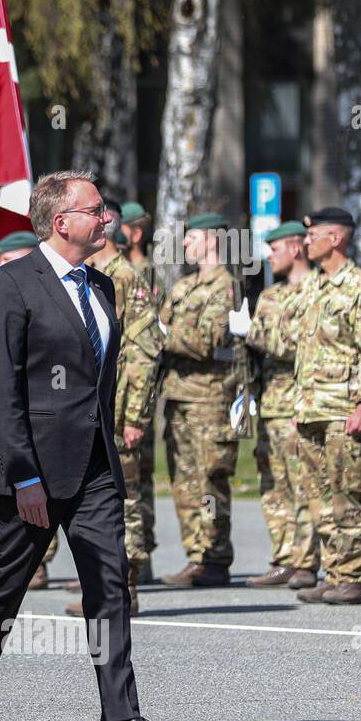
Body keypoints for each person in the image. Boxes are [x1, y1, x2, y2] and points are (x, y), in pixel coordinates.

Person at [0, 170, 180, 721]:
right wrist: (24, 474)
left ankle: (120, 719)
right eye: (95, 210)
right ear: (60, 221)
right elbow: (3, 391)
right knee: (7, 584)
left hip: (94, 465)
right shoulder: (10, 286)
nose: (107, 219)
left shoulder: (103, 286)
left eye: (105, 210)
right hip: (33, 469)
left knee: (109, 586)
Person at [64, 198, 163, 617]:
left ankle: (125, 590)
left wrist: (135, 417)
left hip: (120, 414)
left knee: (125, 501)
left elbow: (146, 352)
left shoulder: (125, 277)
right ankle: (107, 589)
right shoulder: (90, 275)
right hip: (92, 413)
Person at [293, 207, 361, 605]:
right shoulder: (313, 286)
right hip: (311, 408)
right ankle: (334, 573)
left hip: (344, 409)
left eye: (314, 235)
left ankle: (353, 577)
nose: (306, 242)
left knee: (349, 495)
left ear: (336, 239)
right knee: (320, 496)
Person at [0, 230, 61, 590]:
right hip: (8, 420)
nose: (10, 269)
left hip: (52, 421)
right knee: (8, 562)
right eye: (4, 261)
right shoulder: (1, 290)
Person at [159, 212, 238, 588]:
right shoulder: (184, 287)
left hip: (210, 400)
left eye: (192, 238)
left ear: (213, 240)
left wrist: (164, 334)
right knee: (184, 482)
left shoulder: (226, 287)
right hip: (178, 396)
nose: (186, 245)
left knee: (209, 482)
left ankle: (215, 556)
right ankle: (196, 556)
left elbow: (208, 341)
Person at [244, 221, 319, 589]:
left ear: (296, 247)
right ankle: (283, 556)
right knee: (273, 484)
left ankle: (304, 562)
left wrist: (251, 333)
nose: (270, 256)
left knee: (302, 483)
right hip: (271, 401)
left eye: (276, 248)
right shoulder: (271, 295)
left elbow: (298, 346)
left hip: (299, 403)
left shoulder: (315, 292)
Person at [120, 201, 163, 579]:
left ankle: (136, 564)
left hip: (134, 398)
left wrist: (136, 414)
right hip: (117, 399)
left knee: (133, 483)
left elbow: (147, 345)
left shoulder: (138, 276)